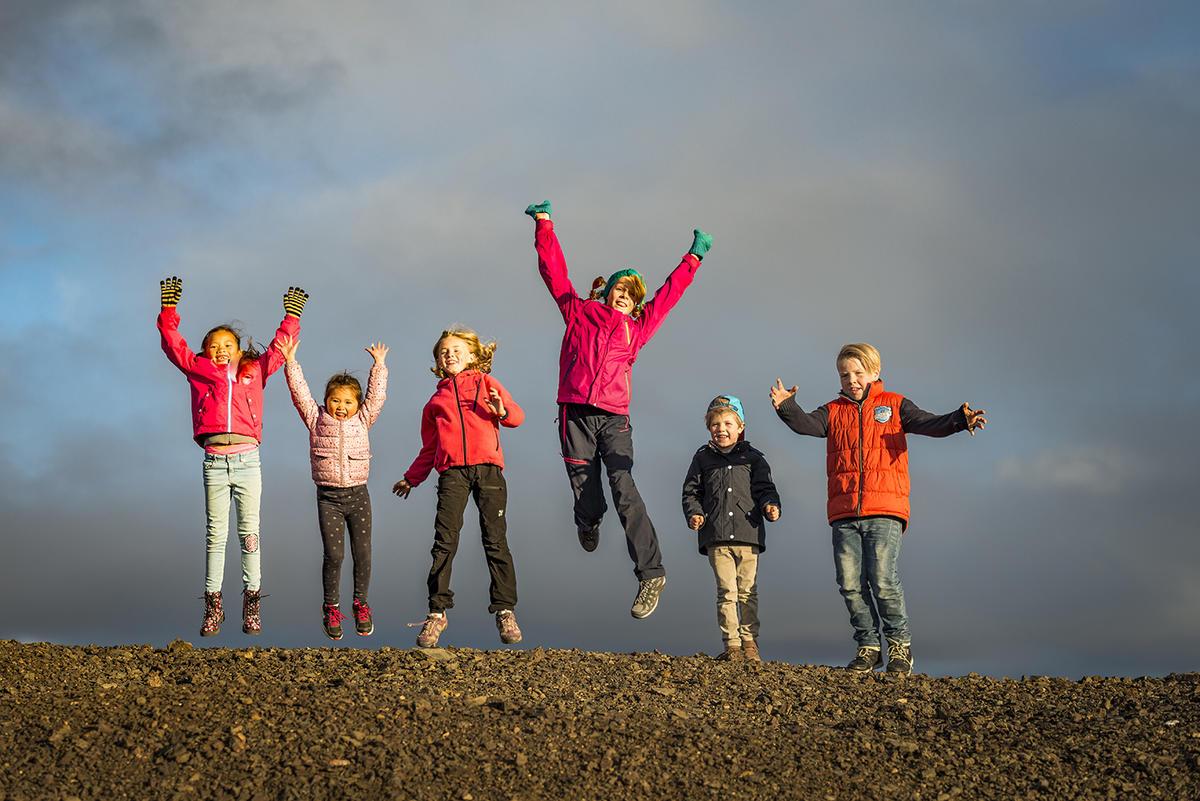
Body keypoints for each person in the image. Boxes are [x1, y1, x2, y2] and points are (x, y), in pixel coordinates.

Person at [526, 199, 711, 619]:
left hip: (614, 418)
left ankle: (651, 573)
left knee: (624, 488)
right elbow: (553, 272)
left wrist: (694, 256)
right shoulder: (579, 312)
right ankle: (588, 521)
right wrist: (544, 224)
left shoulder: (638, 329)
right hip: (575, 414)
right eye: (620, 289)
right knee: (587, 495)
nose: (625, 296)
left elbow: (669, 295)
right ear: (608, 291)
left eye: (632, 294)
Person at [770, 342, 987, 675]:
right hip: (844, 511)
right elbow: (806, 425)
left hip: (885, 508)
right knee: (850, 583)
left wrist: (959, 420)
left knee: (883, 580)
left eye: (858, 373)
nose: (852, 380)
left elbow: (930, 423)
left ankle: (900, 646)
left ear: (875, 372)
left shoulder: (895, 405)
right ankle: (869, 647)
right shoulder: (833, 411)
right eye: (844, 375)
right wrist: (787, 406)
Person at [156, 276, 307, 636]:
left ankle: (252, 605)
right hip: (214, 462)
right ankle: (213, 606)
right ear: (205, 351)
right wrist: (168, 311)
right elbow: (174, 345)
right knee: (216, 536)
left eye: (228, 344)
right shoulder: (199, 369)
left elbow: (279, 348)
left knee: (249, 534)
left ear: (239, 350)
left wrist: (291, 317)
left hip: (248, 461)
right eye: (213, 345)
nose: (221, 349)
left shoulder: (254, 369)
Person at [393, 327, 524, 648]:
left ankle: (505, 610)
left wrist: (501, 410)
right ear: (438, 362)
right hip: (452, 474)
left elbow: (516, 417)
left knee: (495, 540)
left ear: (472, 355)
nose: (449, 354)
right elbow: (430, 447)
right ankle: (436, 613)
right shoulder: (435, 401)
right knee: (444, 541)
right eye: (443, 352)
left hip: (489, 471)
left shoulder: (487, 383)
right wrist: (412, 477)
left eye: (456, 349)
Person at [278, 335, 388, 640]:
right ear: (326, 400)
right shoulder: (316, 418)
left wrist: (379, 366)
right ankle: (331, 608)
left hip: (359, 495)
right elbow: (300, 393)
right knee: (335, 555)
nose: (341, 407)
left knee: (363, 554)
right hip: (329, 497)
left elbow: (377, 398)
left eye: (348, 401)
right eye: (335, 400)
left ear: (357, 404)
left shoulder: (363, 419)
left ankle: (361, 604)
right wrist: (291, 362)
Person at [682, 396, 781, 662]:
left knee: (747, 591)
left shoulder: (753, 459)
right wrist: (695, 514)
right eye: (715, 424)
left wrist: (771, 506)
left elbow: (765, 488)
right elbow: (691, 492)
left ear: (740, 427)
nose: (721, 429)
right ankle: (732, 645)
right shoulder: (702, 459)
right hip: (716, 536)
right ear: (708, 427)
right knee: (727, 592)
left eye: (728, 423)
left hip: (748, 534)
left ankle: (750, 643)